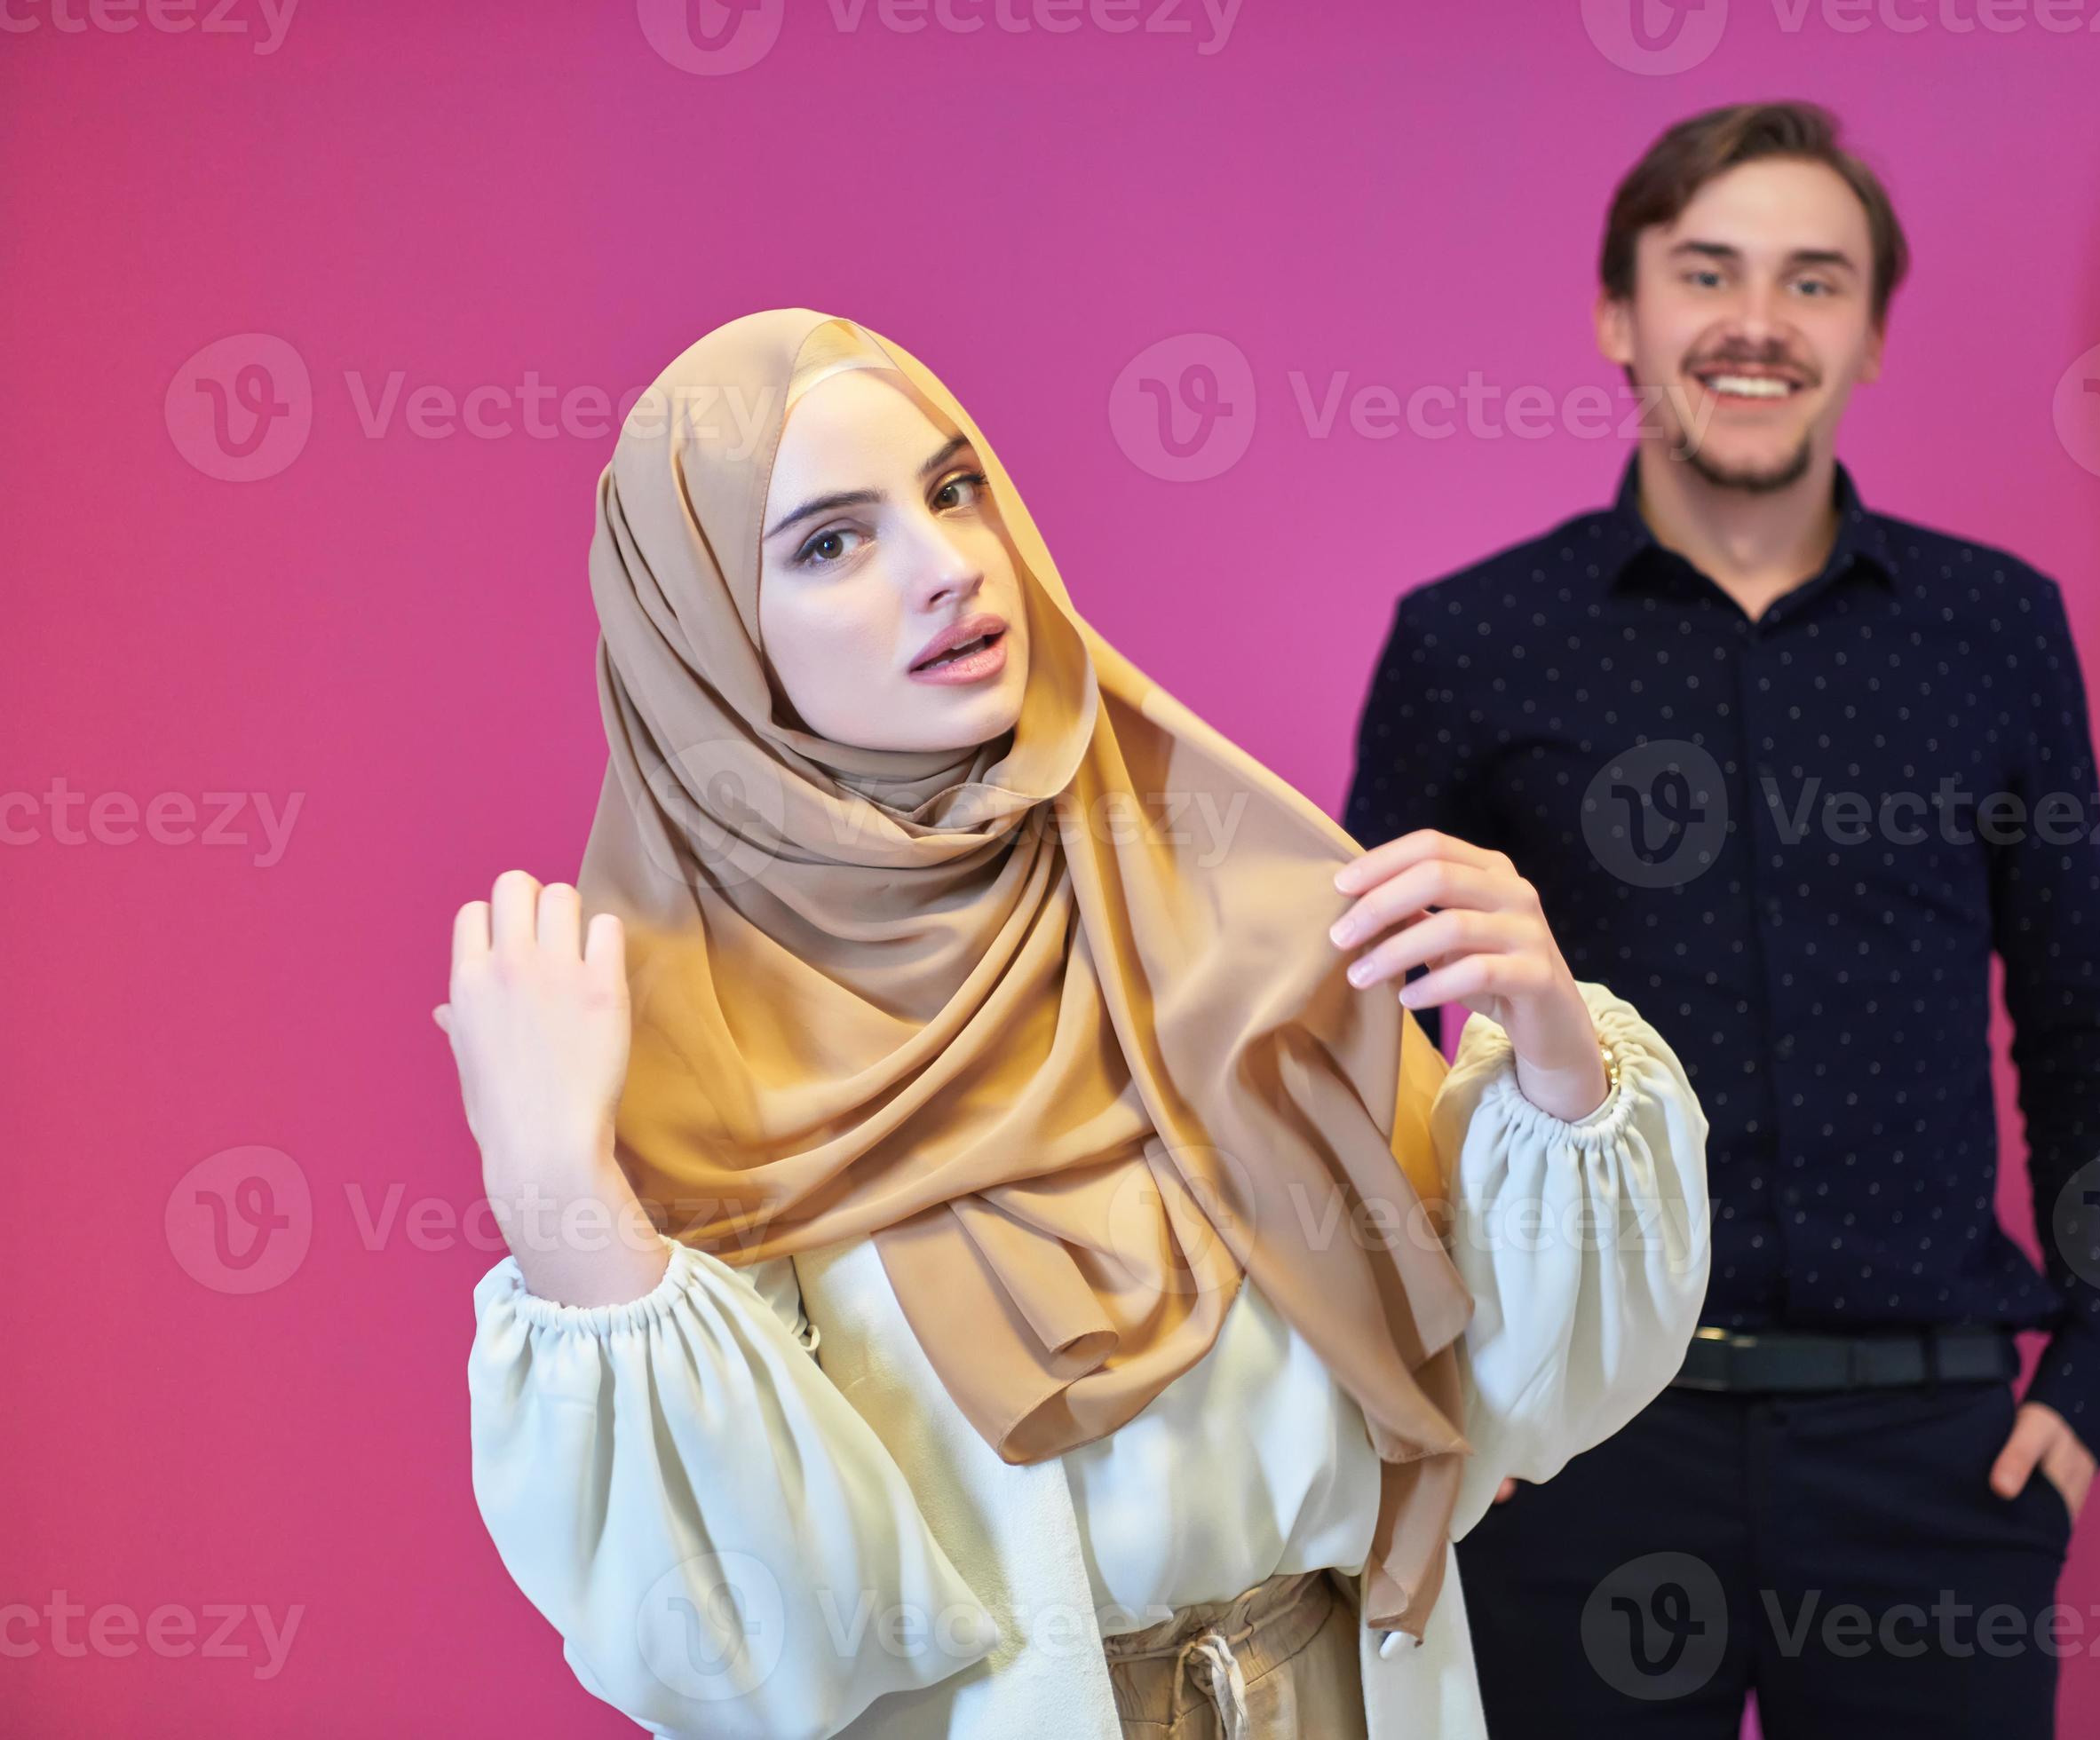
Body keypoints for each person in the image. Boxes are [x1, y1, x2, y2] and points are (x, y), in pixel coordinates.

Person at [434, 307, 1716, 1739]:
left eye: (952, 487)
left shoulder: (1224, 900)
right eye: (828, 543)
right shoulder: (681, 1051)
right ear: (709, 639)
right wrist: (561, 1203)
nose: (946, 567)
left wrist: (1552, 1049)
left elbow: (1517, 1400)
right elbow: (748, 1653)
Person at [1342, 102, 2100, 1737]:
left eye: (1814, 281)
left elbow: (2088, 1024)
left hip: (1923, 1466)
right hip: (1576, 1454)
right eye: (1705, 270)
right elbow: (1344, 1049)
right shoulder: (1470, 643)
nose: (1755, 323)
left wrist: (2090, 1388)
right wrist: (1425, 1405)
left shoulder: (1995, 632)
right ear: (1618, 313)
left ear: (1869, 334)